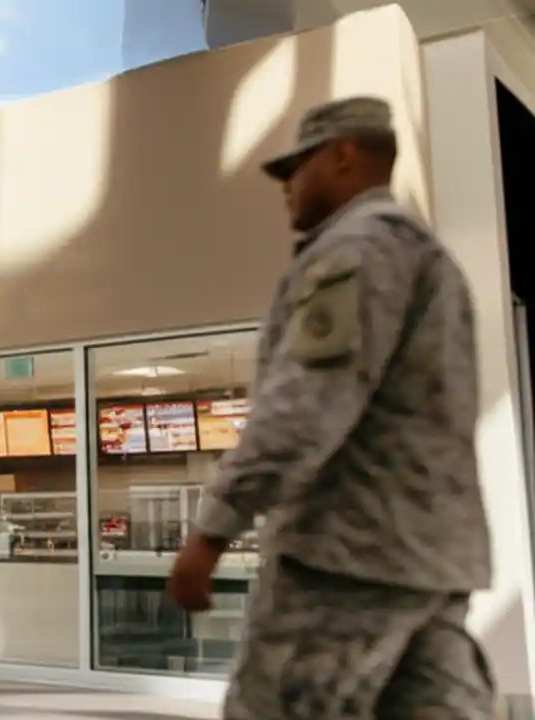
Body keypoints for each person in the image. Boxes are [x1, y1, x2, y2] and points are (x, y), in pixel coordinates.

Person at [167, 96, 495, 718]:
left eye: (295, 167)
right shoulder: (431, 260)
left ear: (343, 154)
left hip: (345, 557)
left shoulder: (357, 251)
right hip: (431, 562)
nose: (286, 186)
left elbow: (306, 405)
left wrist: (212, 532)